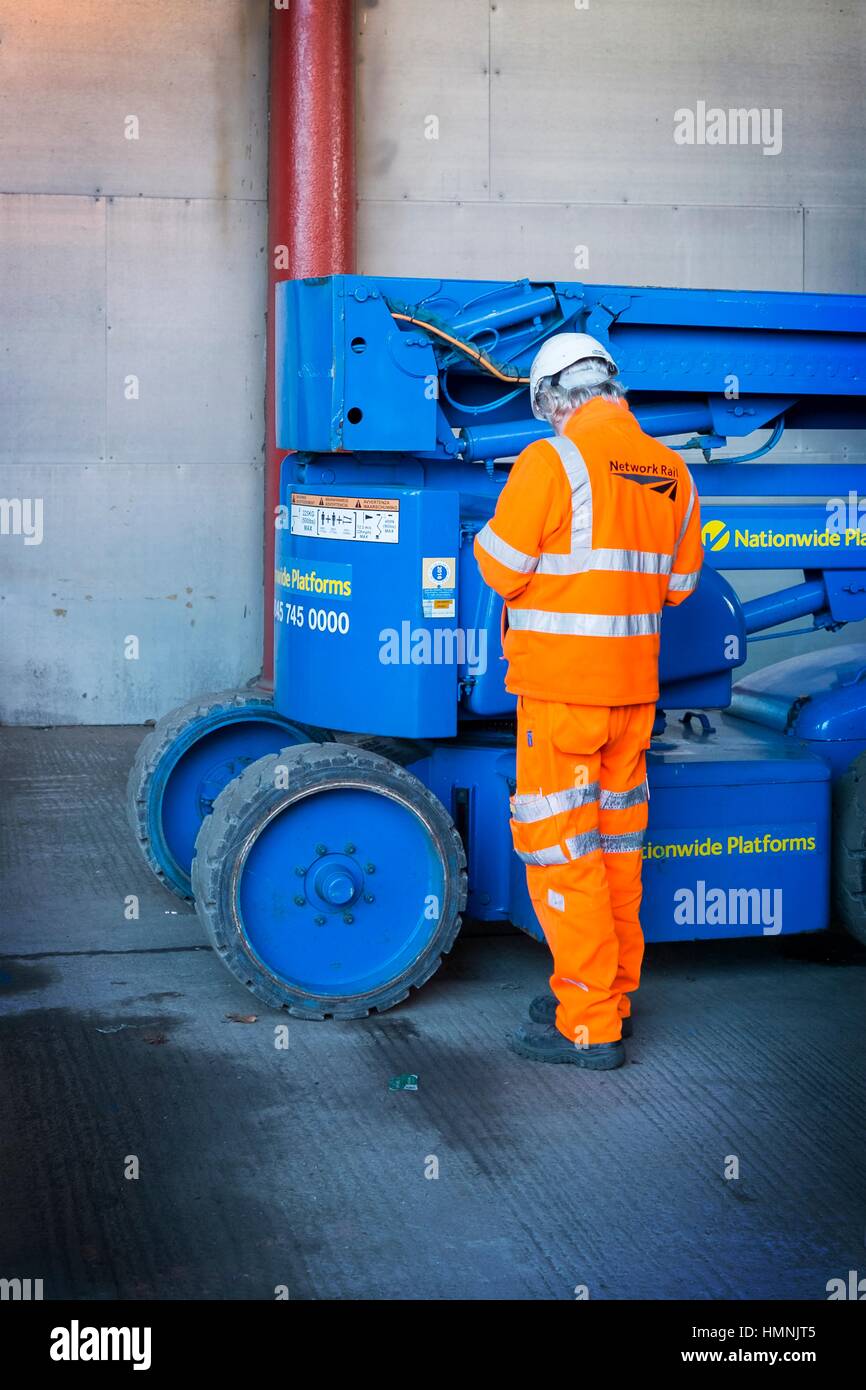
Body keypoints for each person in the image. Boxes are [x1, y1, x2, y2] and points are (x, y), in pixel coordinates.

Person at [474, 333, 703, 1070]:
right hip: (632, 698)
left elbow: (500, 568)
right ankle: (610, 993)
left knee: (562, 851)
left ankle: (588, 1022)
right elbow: (679, 587)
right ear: (612, 388)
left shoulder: (552, 460)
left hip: (562, 699)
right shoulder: (673, 471)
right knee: (616, 850)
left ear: (551, 398)